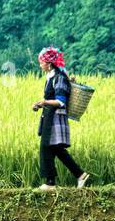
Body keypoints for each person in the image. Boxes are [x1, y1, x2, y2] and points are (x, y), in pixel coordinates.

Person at [32, 46, 91, 191]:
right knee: (55, 148)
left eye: (41, 62)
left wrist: (44, 102)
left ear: (49, 63)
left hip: (55, 117)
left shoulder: (59, 78)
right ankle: (80, 175)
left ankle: (50, 183)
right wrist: (40, 105)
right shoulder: (51, 77)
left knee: (47, 147)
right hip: (49, 115)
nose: (40, 65)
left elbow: (61, 101)